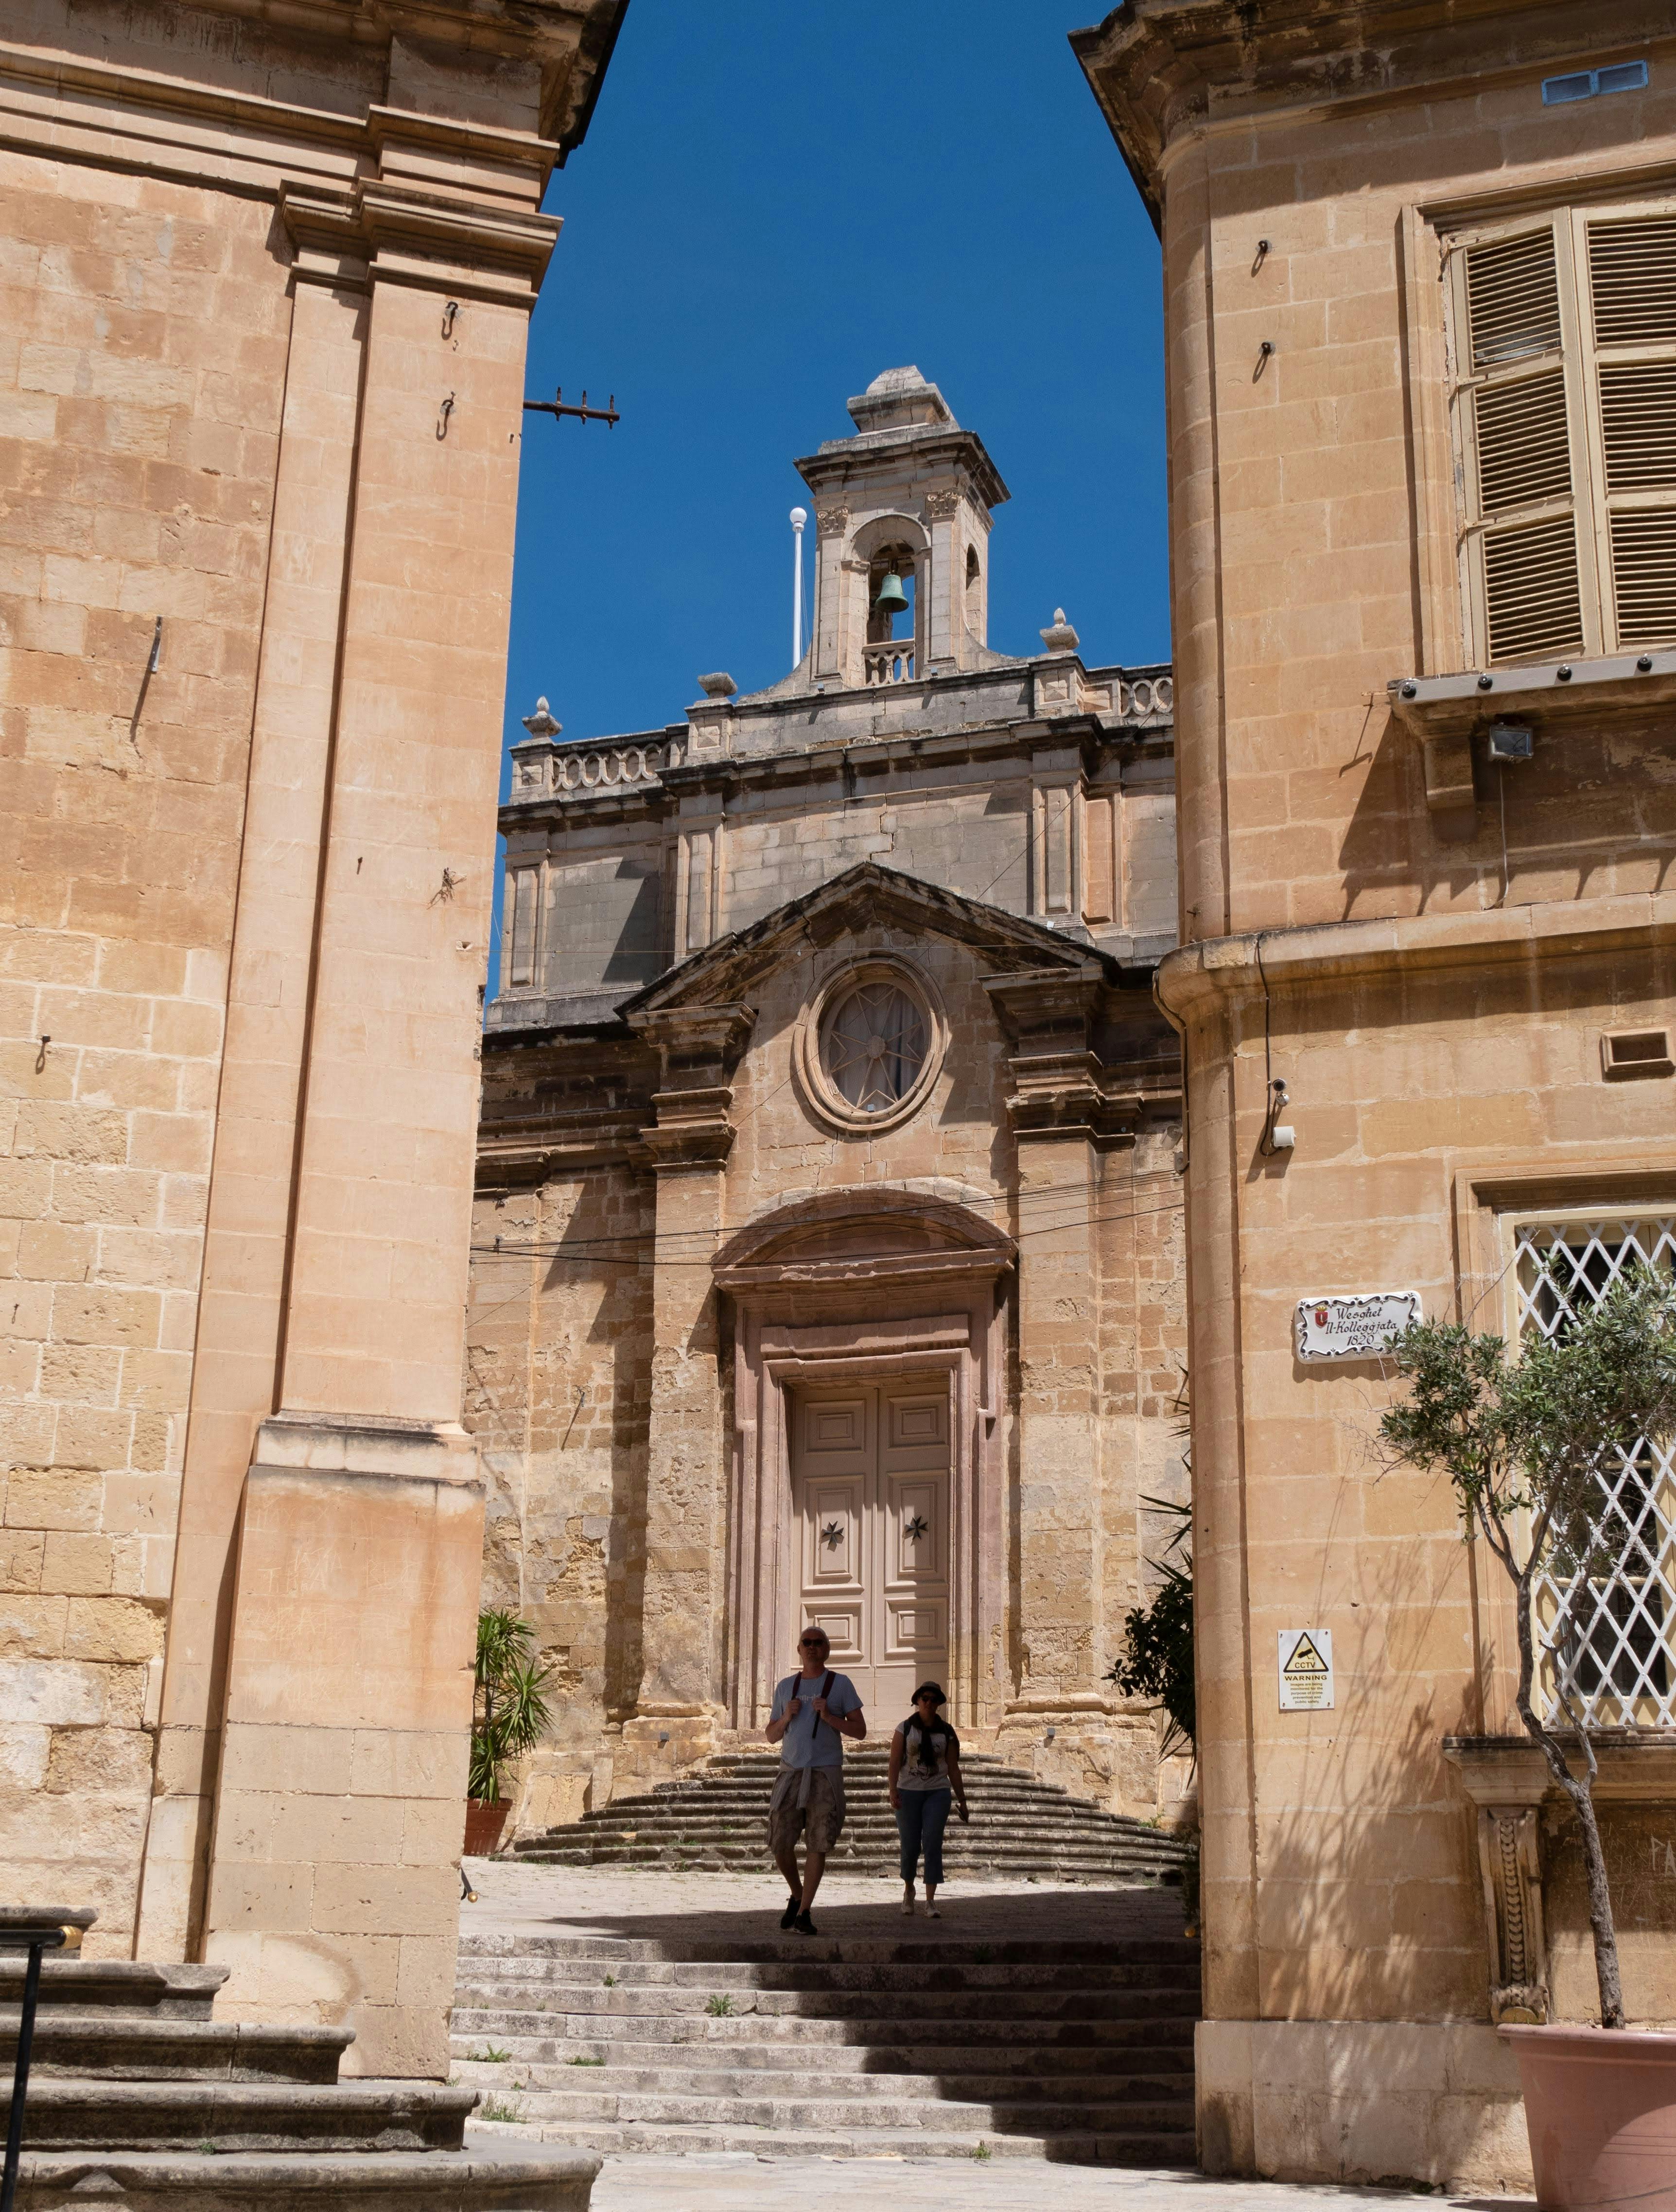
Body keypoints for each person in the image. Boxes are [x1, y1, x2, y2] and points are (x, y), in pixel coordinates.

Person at [764, 1625, 866, 1935]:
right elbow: (770, 1736)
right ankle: (796, 1893)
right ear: (799, 1649)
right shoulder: (785, 1687)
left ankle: (805, 1912)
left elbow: (860, 1731)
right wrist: (786, 1717)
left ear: (827, 1649)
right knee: (780, 1842)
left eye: (818, 1643)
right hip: (791, 1771)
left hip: (824, 1772)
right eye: (806, 1643)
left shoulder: (840, 1684)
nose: (811, 1647)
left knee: (818, 1843)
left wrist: (830, 1718)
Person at [887, 1681, 967, 1917]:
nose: (929, 1703)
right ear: (918, 1701)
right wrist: (893, 1790)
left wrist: (962, 1799)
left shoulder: (947, 1732)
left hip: (937, 1792)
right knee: (910, 1845)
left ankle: (930, 1900)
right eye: (925, 1699)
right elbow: (894, 1762)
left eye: (934, 1700)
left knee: (933, 1842)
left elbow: (953, 1767)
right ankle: (909, 1890)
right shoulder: (904, 1729)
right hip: (908, 1792)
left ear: (939, 1704)